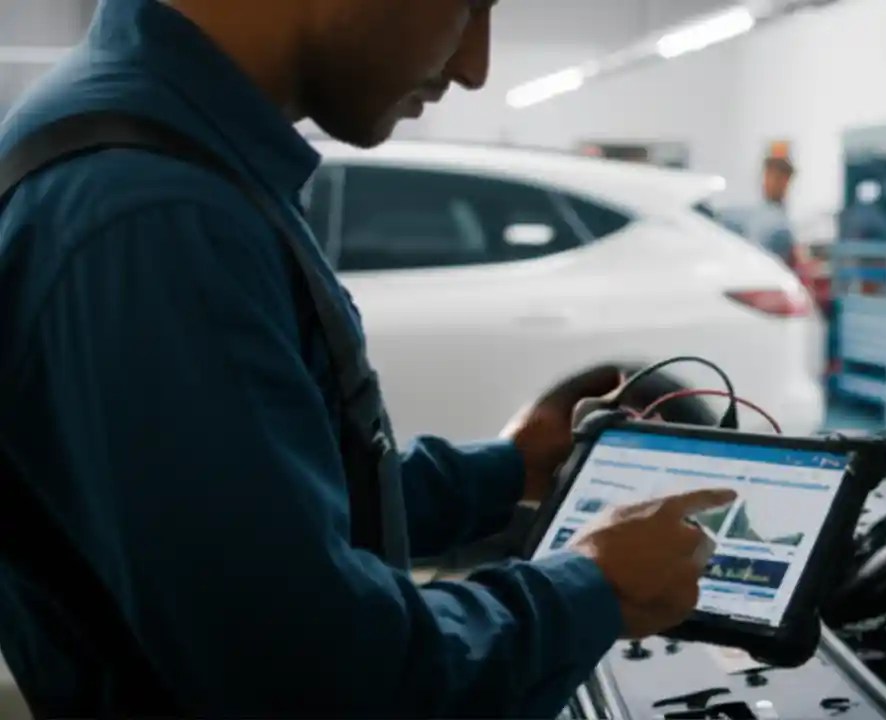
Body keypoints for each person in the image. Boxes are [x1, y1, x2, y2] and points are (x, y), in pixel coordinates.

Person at [0, 0, 735, 717]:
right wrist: (593, 589)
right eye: (467, 7)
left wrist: (504, 471)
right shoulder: (153, 210)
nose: (474, 66)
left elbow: (263, 509)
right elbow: (324, 675)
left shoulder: (153, 141)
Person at [719, 157, 799, 266]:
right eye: (767, 177)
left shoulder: (782, 224)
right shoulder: (748, 213)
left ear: (786, 182)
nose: (768, 183)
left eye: (777, 178)